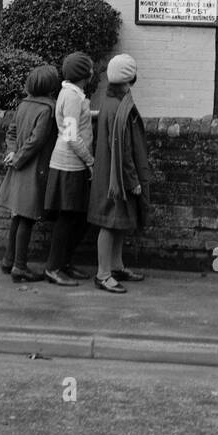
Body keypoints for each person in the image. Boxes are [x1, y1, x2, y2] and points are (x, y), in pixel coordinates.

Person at [87, 53, 150, 293]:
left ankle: (116, 265)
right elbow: (122, 148)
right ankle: (103, 274)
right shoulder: (119, 107)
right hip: (115, 178)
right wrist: (133, 180)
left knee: (119, 221)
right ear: (129, 77)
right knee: (109, 222)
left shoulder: (112, 101)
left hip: (109, 172)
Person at [0, 64, 61, 283]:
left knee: (18, 214)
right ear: (51, 87)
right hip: (34, 168)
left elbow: (12, 131)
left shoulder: (23, 104)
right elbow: (37, 140)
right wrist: (19, 157)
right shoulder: (48, 109)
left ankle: (8, 260)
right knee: (27, 217)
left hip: (19, 166)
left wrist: (12, 151)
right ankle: (20, 266)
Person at [43, 52, 97, 286]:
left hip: (69, 164)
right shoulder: (73, 97)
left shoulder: (71, 94)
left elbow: (73, 123)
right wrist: (90, 160)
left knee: (77, 218)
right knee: (68, 218)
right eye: (91, 68)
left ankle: (64, 263)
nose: (94, 71)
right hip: (69, 165)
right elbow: (71, 135)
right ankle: (53, 268)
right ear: (84, 74)